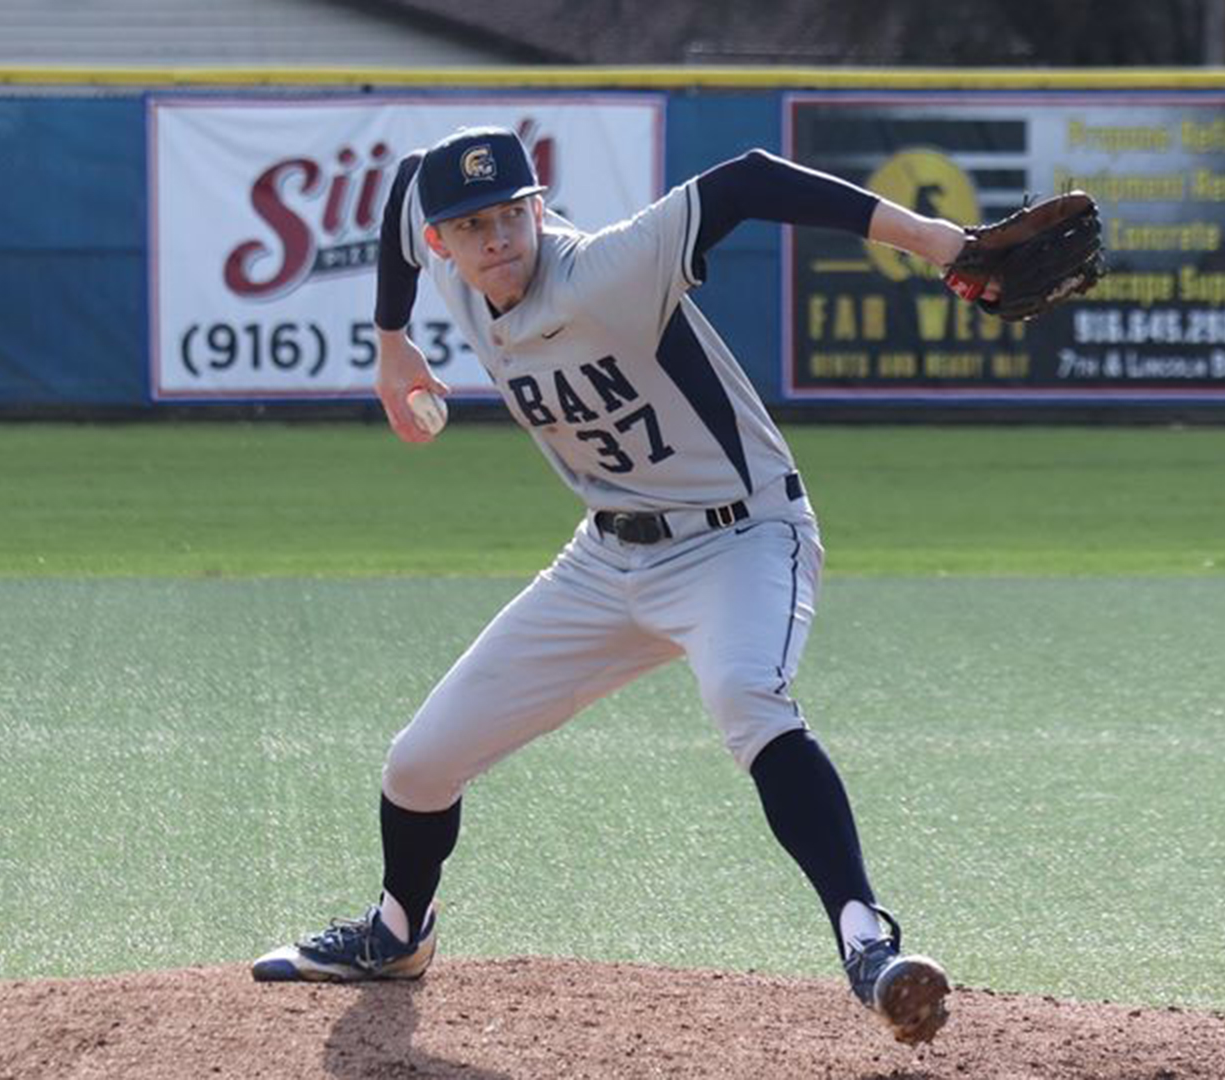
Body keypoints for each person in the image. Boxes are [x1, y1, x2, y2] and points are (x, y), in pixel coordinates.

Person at [252, 126, 980, 1046]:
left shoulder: (606, 270)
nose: (499, 240)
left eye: (513, 214)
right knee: (418, 765)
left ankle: (868, 945)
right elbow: (404, 184)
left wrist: (941, 244)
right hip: (604, 560)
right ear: (444, 243)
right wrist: (391, 340)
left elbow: (749, 178)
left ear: (538, 206)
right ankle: (397, 935)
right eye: (472, 226)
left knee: (747, 698)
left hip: (741, 538)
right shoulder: (445, 264)